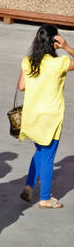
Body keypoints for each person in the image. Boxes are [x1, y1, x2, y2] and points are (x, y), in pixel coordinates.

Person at [17, 24, 74, 209]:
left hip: (32, 116)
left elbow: (21, 86)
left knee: (40, 152)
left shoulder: (28, 61)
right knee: (48, 157)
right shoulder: (59, 63)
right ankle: (45, 198)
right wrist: (66, 47)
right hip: (51, 118)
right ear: (54, 41)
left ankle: (29, 185)